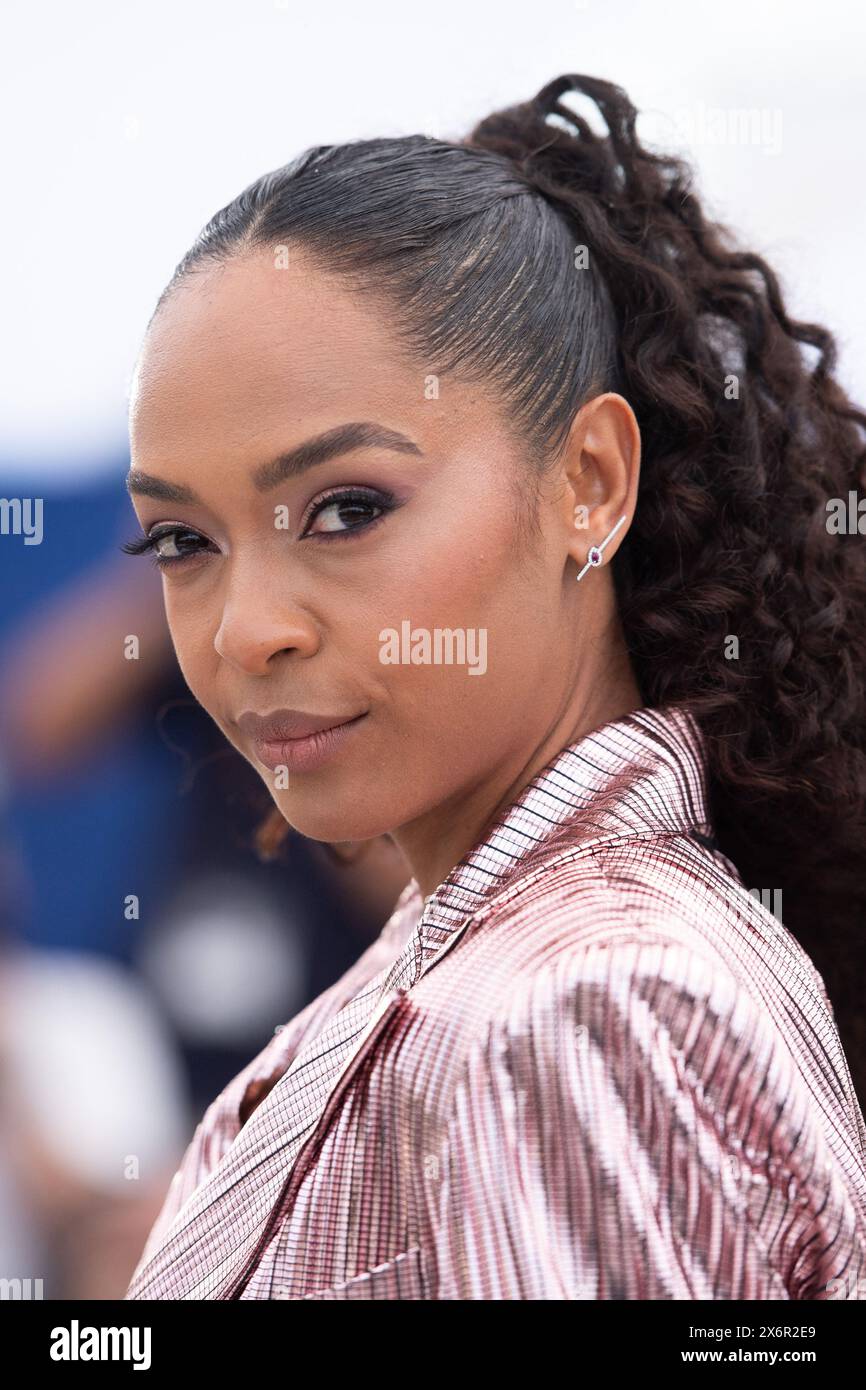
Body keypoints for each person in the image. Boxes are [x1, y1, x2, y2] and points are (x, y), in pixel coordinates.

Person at [121, 73, 866, 1300]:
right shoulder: (487, 960)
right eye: (181, 541)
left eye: (347, 508)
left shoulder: (575, 1010)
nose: (246, 630)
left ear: (588, 484)